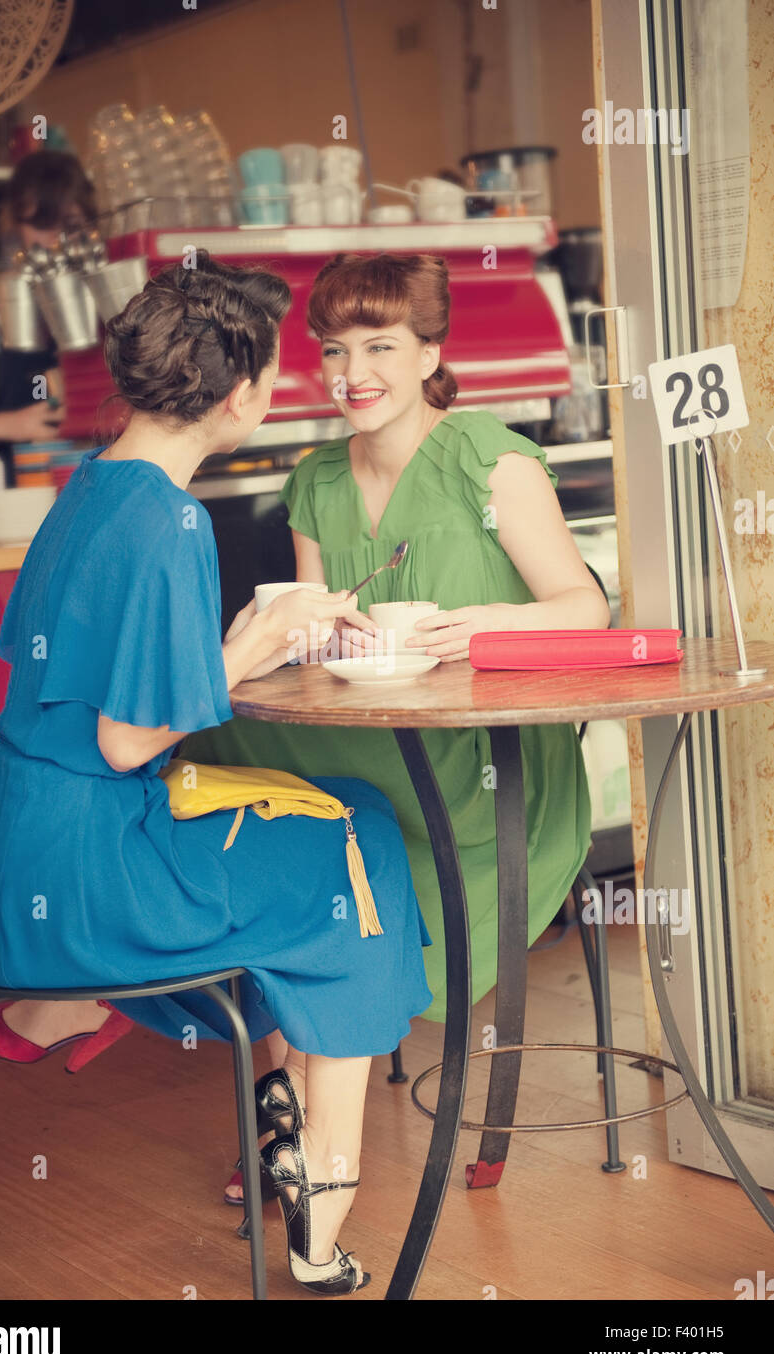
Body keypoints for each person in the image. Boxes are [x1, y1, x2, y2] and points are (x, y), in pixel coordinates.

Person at [0, 257, 433, 1296]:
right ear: (239, 394)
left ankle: (275, 1114)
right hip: (88, 878)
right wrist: (254, 644)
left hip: (11, 856)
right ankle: (318, 1217)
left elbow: (99, 694)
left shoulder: (91, 486)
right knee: (361, 850)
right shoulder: (167, 517)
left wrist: (249, 634)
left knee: (334, 817)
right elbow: (131, 740)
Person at [177, 251, 611, 1203]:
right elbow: (318, 628)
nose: (351, 372)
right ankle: (283, 1112)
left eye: (380, 345)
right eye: (334, 350)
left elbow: (583, 608)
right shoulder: (316, 480)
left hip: (486, 761)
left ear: (428, 354)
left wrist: (472, 624)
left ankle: (288, 1111)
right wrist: (316, 630)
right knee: (213, 753)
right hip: (367, 730)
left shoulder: (488, 460)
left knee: (295, 816)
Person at [0, 151, 97, 485]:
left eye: (68, 226)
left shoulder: (101, 293)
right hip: (19, 490)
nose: (56, 240)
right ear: (16, 223)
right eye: (42, 225)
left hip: (95, 478)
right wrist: (10, 425)